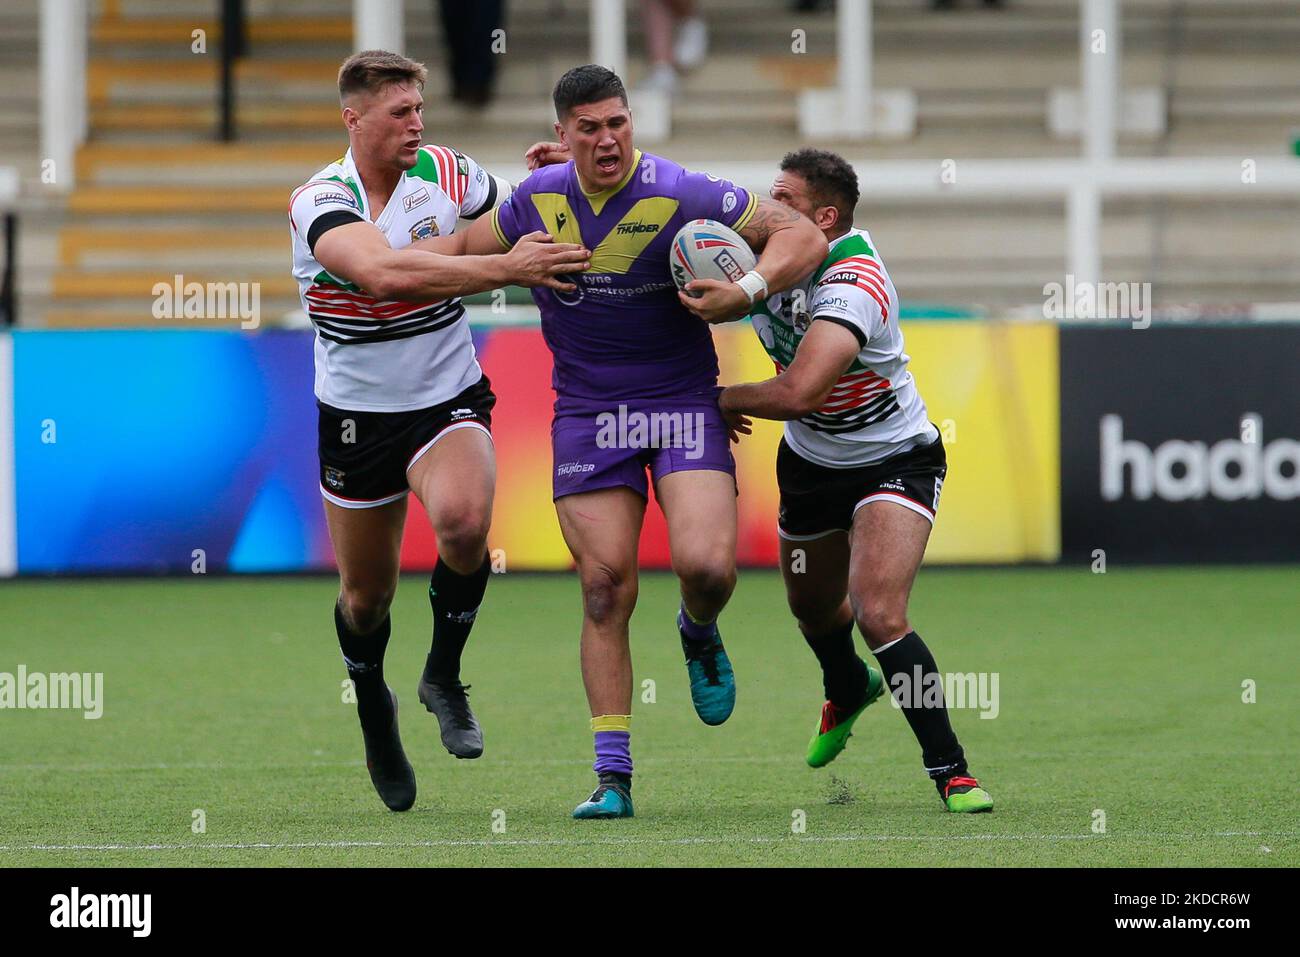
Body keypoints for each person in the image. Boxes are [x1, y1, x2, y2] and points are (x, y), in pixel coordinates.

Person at [421, 65, 826, 819]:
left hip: (681, 403)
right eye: (589, 128)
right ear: (562, 135)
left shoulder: (685, 193)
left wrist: (745, 292)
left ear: (631, 121)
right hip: (589, 412)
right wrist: (395, 265)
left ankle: (698, 628)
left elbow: (798, 232)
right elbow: (455, 255)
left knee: (707, 567)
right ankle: (613, 777)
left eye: (618, 123)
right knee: (604, 588)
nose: (607, 139)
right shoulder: (536, 202)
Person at [288, 50, 589, 812]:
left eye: (420, 108)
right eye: (399, 113)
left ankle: (444, 674)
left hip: (445, 393)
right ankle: (375, 711)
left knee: (462, 523)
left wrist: (551, 183)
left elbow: (504, 222)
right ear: (354, 119)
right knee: (366, 598)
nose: (416, 124)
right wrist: (489, 264)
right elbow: (384, 275)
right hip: (356, 415)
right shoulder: (320, 200)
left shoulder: (449, 172)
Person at [707, 148, 994, 813]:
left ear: (825, 217)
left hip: (894, 458)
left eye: (784, 201)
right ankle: (846, 684)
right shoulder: (762, 253)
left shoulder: (854, 277)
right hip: (810, 464)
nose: (766, 210)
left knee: (878, 609)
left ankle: (952, 770)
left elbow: (803, 388)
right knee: (811, 606)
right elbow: (663, 211)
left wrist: (720, 399)